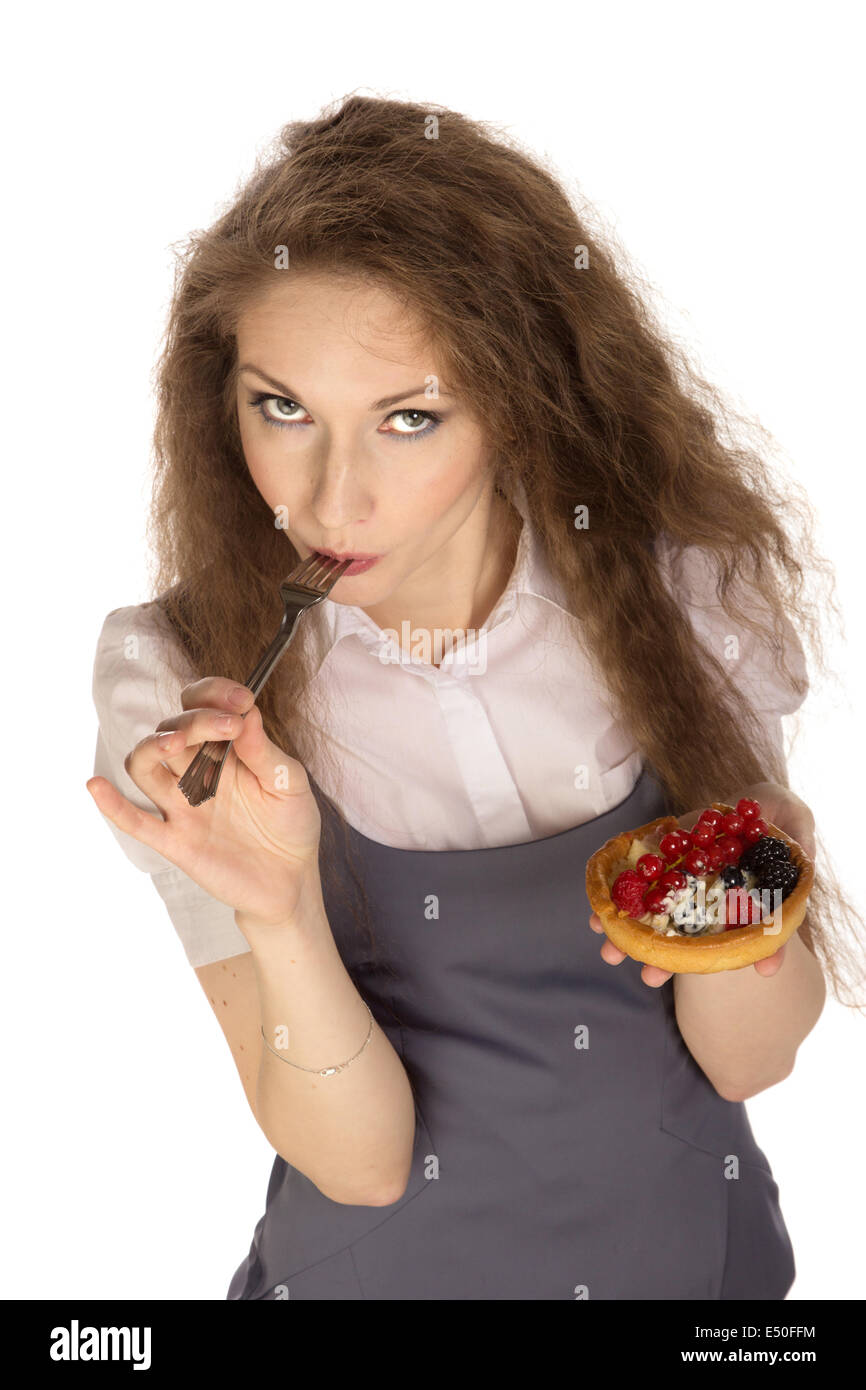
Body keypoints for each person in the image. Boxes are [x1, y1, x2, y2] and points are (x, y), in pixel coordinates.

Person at [87, 94, 851, 1300]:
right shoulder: (178, 680)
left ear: (520, 397)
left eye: (409, 418)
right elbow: (360, 1162)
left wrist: (747, 885)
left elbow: (749, 1061)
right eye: (280, 407)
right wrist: (279, 909)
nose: (334, 502)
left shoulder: (678, 594)